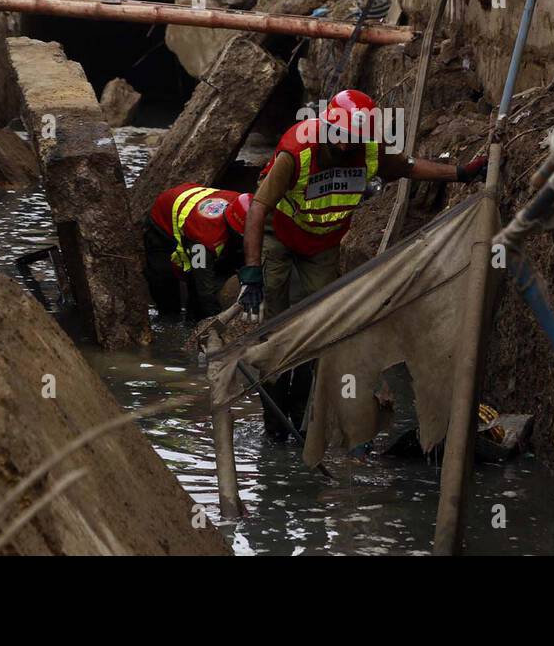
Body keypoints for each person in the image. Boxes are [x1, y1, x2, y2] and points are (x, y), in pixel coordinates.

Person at [239, 90, 487, 437]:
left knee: (321, 327)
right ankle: (275, 421)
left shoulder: (370, 151)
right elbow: (258, 208)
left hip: (321, 243)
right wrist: (251, 273)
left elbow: (410, 167)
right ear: (326, 127)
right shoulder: (297, 152)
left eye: (352, 139)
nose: (344, 145)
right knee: (276, 328)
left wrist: (460, 173)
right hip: (278, 234)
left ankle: (302, 409)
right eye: (339, 136)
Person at [145, 184, 251, 319]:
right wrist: (213, 319)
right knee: (164, 279)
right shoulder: (202, 241)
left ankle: (192, 315)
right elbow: (203, 287)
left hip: (189, 199)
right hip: (162, 219)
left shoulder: (243, 204)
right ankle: (169, 318)